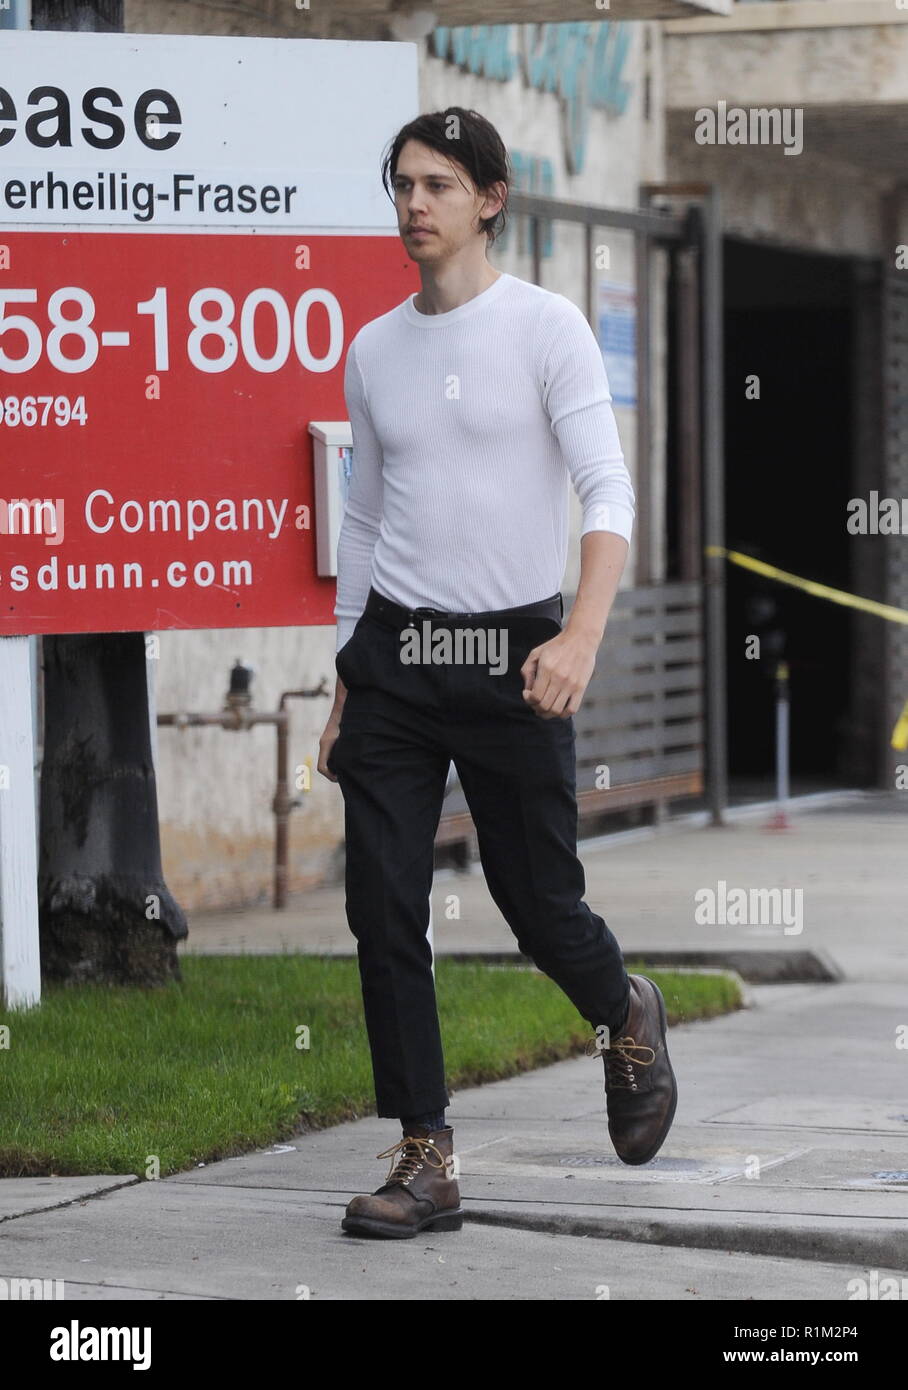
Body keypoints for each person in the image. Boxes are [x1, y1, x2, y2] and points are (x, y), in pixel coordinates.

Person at [318, 106, 677, 1240]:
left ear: (488, 200)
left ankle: (621, 1010)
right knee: (381, 900)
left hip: (514, 652)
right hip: (394, 662)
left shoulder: (544, 328)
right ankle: (426, 1155)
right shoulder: (373, 349)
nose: (412, 205)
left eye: (435, 185)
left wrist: (577, 637)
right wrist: (342, 678)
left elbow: (606, 494)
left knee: (536, 904)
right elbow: (365, 521)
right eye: (400, 185)